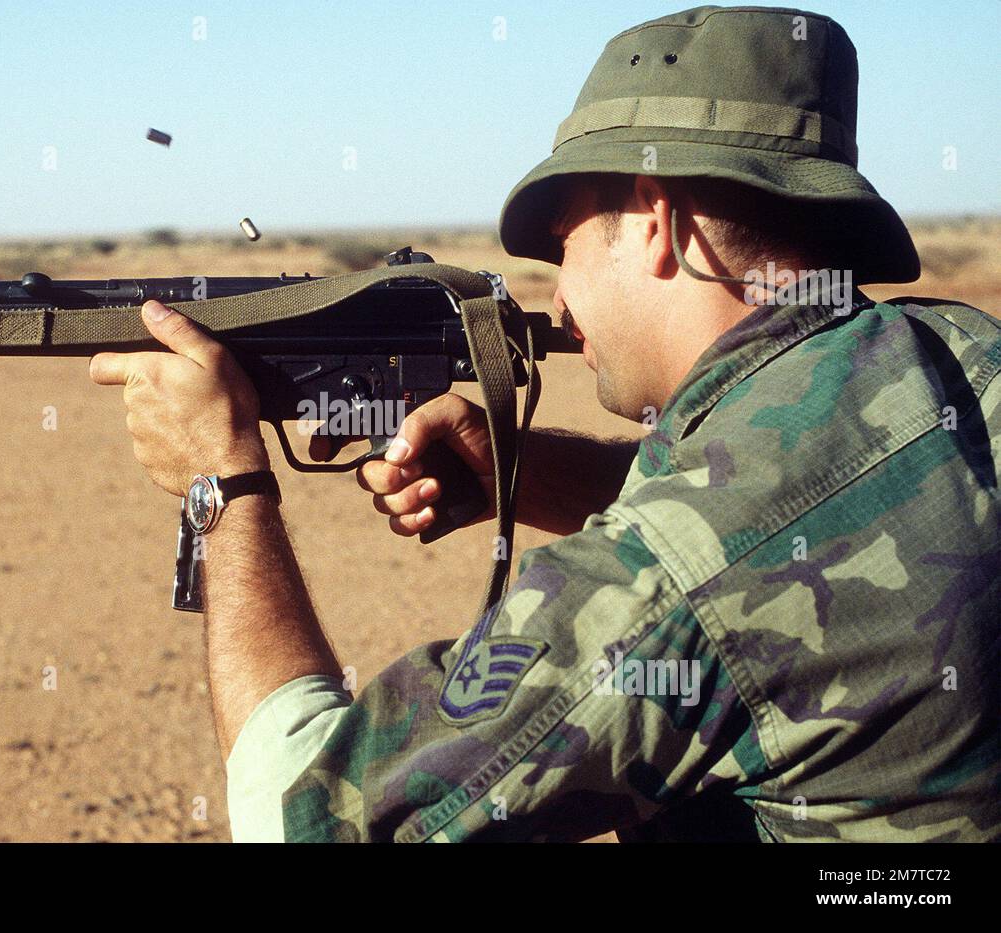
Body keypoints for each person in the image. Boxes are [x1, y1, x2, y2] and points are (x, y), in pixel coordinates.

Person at [89, 5, 1000, 842]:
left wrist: (226, 483)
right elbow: (803, 514)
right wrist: (525, 472)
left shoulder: (675, 581)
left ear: (657, 221)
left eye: (562, 241)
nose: (556, 297)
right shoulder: (963, 355)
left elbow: (300, 814)